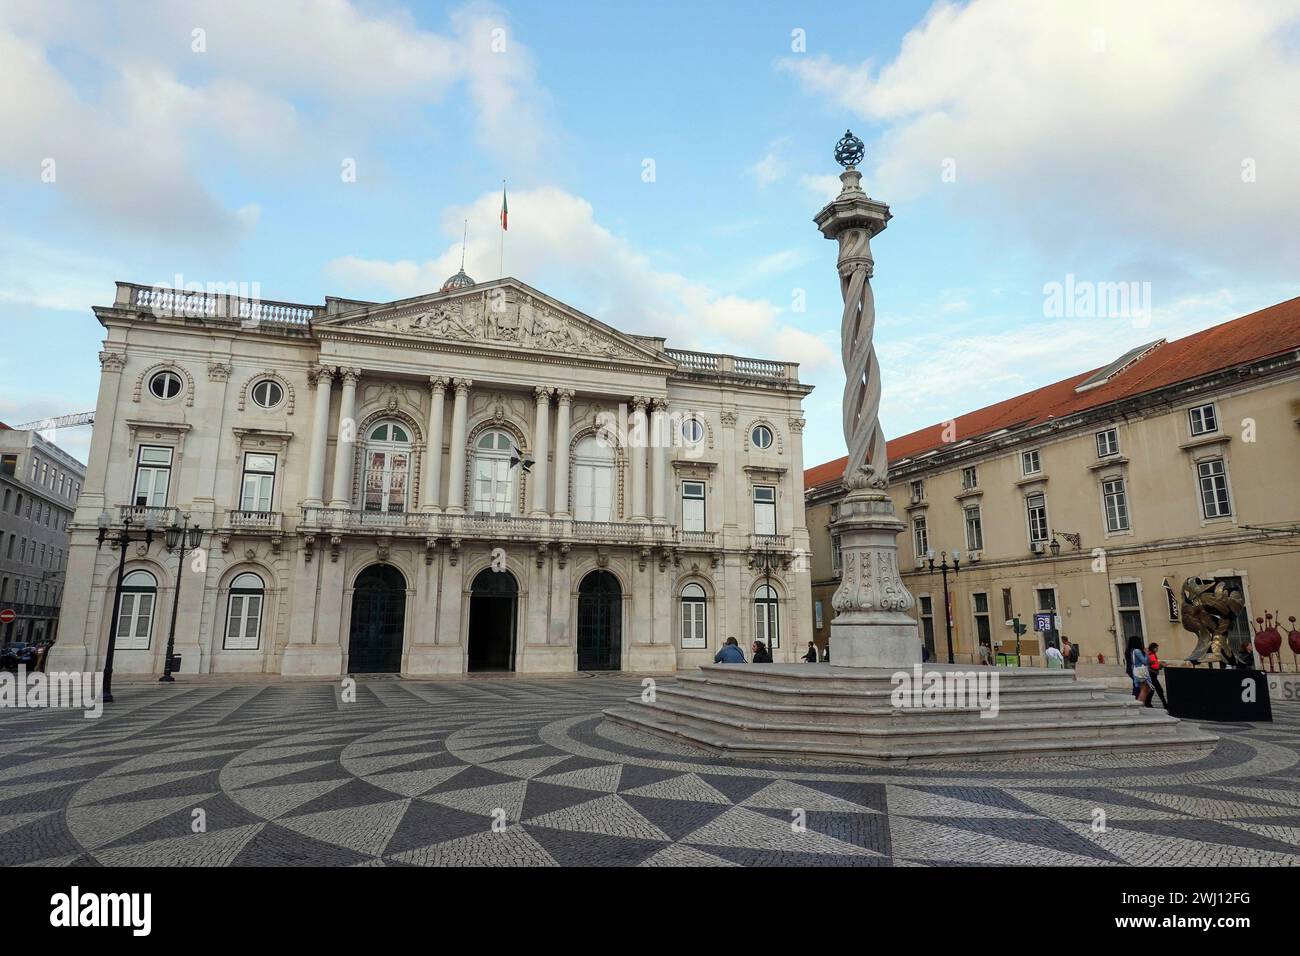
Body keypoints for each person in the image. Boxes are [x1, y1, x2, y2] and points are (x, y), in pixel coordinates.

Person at [1125, 635, 1152, 703]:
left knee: (1137, 688)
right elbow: (1145, 661)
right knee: (1144, 689)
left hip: (1131, 670)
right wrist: (1146, 654)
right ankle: (1138, 705)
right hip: (1139, 671)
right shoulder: (1137, 651)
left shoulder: (1128, 651)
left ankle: (1136, 703)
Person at [1146, 643, 1169, 708]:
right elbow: (1154, 666)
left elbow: (1154, 663)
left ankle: (1148, 703)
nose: (1157, 649)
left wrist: (1160, 663)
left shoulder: (1151, 654)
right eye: (1156, 648)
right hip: (1152, 674)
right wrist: (1162, 665)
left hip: (1152, 674)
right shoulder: (1152, 655)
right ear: (1153, 648)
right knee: (1159, 690)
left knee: (1153, 689)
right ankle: (1165, 704)